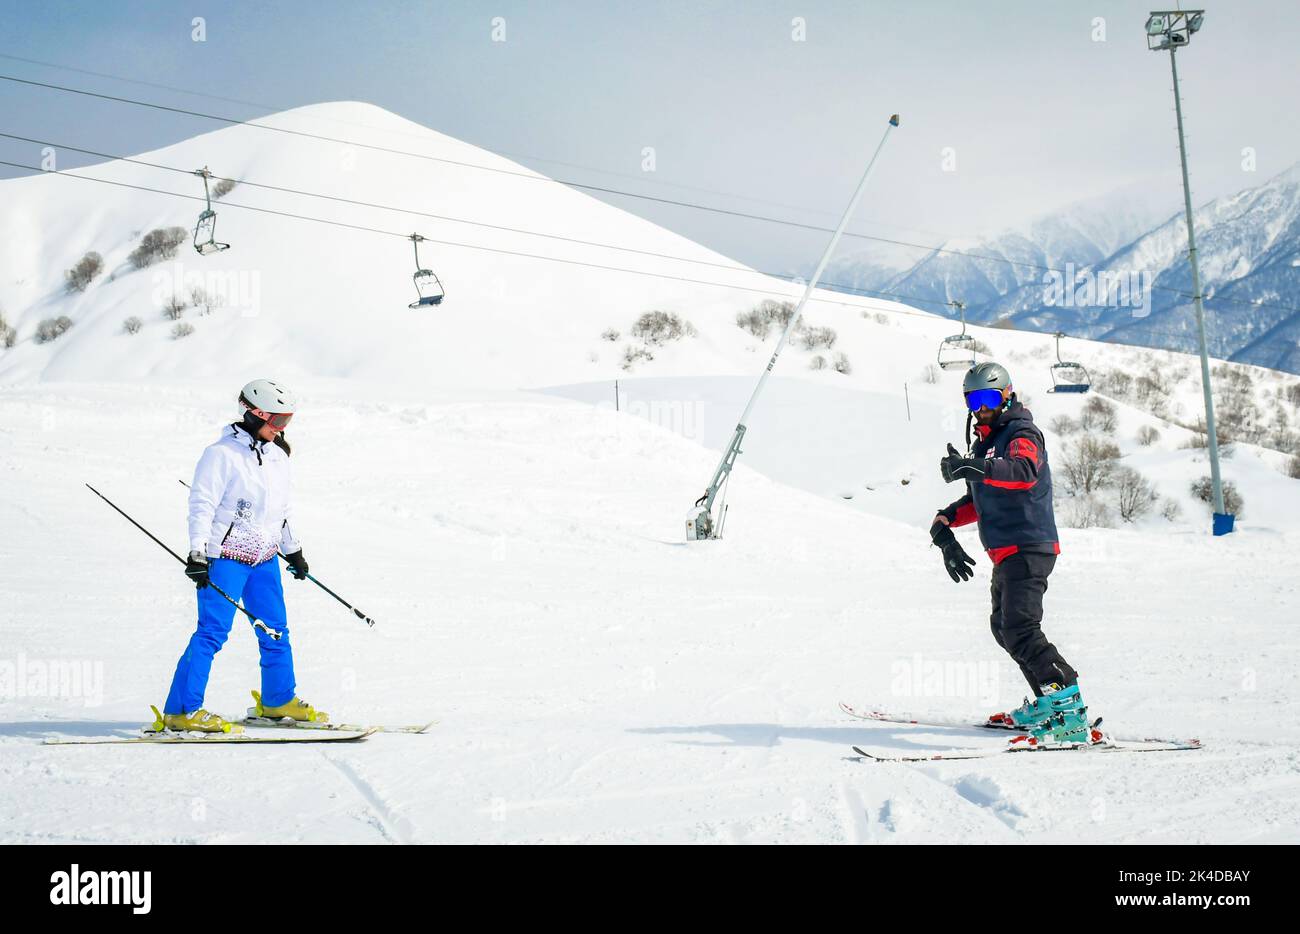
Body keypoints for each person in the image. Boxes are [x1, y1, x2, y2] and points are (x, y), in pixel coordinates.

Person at [929, 362, 1088, 745]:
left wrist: (975, 465)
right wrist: (944, 524)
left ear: (1006, 396)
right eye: (972, 399)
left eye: (987, 398)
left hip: (1028, 546)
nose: (980, 407)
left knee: (1021, 629)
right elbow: (980, 499)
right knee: (1004, 627)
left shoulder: (1021, 432)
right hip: (1006, 552)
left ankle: (1069, 710)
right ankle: (1048, 703)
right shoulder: (986, 444)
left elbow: (1023, 469)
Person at [157, 378, 325, 733]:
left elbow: (281, 511)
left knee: (276, 631)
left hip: (264, 558)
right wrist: (198, 554)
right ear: (253, 414)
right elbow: (201, 506)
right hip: (227, 558)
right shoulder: (221, 455)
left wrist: (293, 551)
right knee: (212, 632)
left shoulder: (278, 456)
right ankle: (181, 710)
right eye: (277, 421)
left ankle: (278, 701)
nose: (281, 429)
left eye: (286, 422)